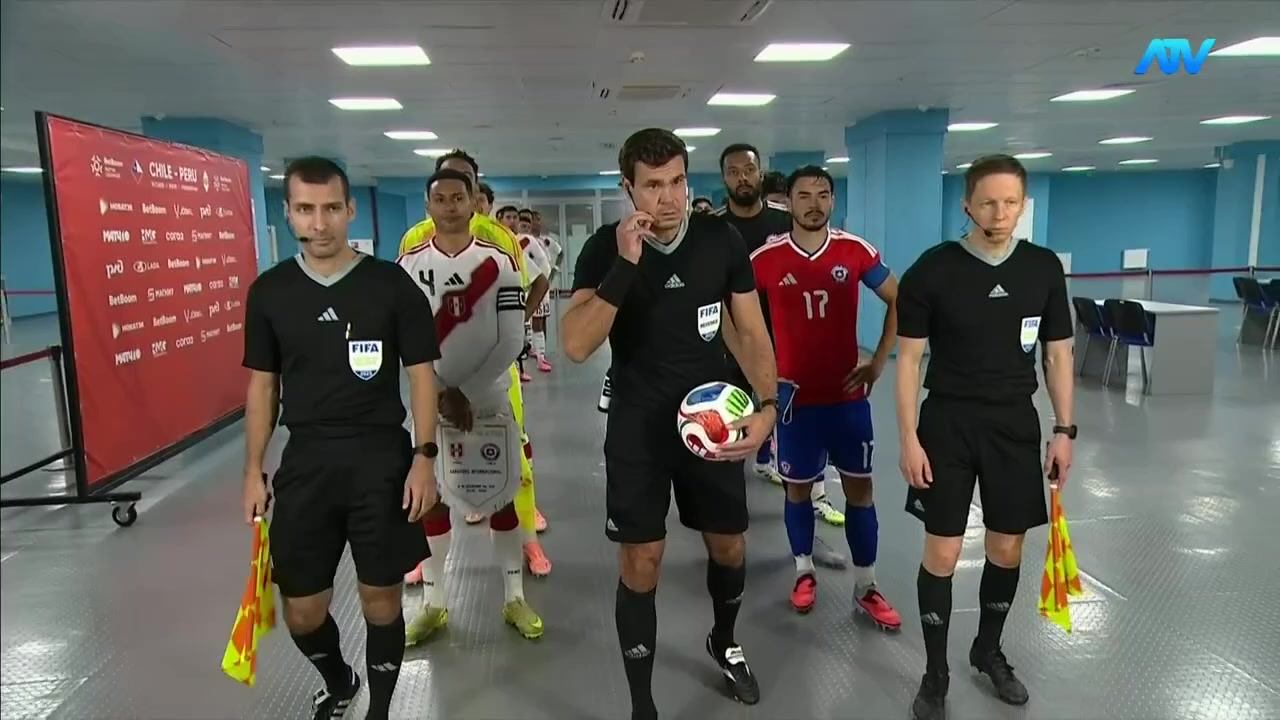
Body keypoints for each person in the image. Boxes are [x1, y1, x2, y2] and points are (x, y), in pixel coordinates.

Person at [561, 128, 778, 719]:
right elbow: (576, 344)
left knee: (729, 546)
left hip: (711, 419)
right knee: (642, 560)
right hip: (639, 425)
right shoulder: (604, 249)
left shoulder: (719, 240)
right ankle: (642, 704)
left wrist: (766, 407)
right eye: (653, 185)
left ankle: (724, 640)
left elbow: (750, 330)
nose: (669, 197)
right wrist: (626, 265)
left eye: (678, 181)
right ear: (628, 187)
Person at [241, 156, 440, 720]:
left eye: (331, 208)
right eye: (306, 209)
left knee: (381, 599)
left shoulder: (390, 285)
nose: (320, 222)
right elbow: (263, 386)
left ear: (350, 209)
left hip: (381, 460)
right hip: (306, 462)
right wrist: (253, 468)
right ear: (287, 213)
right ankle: (339, 678)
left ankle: (380, 710)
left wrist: (424, 457)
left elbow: (422, 375)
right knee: (301, 608)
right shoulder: (270, 292)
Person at [895, 154, 1075, 720]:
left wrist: (1064, 429)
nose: (1000, 213)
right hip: (946, 424)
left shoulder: (1043, 268)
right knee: (943, 551)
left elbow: (1058, 354)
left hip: (1013, 424)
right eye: (988, 202)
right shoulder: (933, 270)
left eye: (1011, 202)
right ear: (967, 205)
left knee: (1006, 546)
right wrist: (908, 438)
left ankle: (987, 649)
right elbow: (909, 360)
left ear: (1023, 205)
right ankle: (935, 672)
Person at [749, 166, 903, 628]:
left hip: (847, 397)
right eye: (804, 195)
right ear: (788, 201)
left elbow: (900, 299)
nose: (814, 203)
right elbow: (738, 318)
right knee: (797, 488)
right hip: (794, 402)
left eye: (823, 195)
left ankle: (867, 585)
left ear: (833, 201)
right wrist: (761, 377)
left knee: (861, 490)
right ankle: (803, 571)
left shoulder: (854, 251)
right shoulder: (766, 258)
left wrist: (879, 360)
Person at [397, 169, 543, 644]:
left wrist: (465, 390)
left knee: (500, 496)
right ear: (428, 206)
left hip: (490, 396)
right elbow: (401, 336)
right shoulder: (408, 265)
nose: (450, 206)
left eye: (458, 197)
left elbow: (512, 337)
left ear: (474, 202)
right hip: (429, 401)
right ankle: (434, 603)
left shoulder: (499, 261)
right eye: (439, 199)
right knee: (430, 498)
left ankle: (514, 597)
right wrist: (439, 391)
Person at [712, 144, 847, 535]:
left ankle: (815, 497)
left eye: (749, 169)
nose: (742, 177)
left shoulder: (785, 220)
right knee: (731, 420)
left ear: (760, 173)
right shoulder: (713, 229)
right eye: (733, 171)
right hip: (732, 343)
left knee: (801, 422)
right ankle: (727, 502)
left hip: (789, 341)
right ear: (724, 178)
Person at [529, 209, 564, 371]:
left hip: (545, 285)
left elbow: (560, 253)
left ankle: (542, 353)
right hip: (531, 285)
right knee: (534, 318)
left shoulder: (546, 241)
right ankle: (536, 352)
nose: (536, 223)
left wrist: (554, 270)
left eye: (538, 219)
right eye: (533, 220)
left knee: (543, 318)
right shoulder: (526, 241)